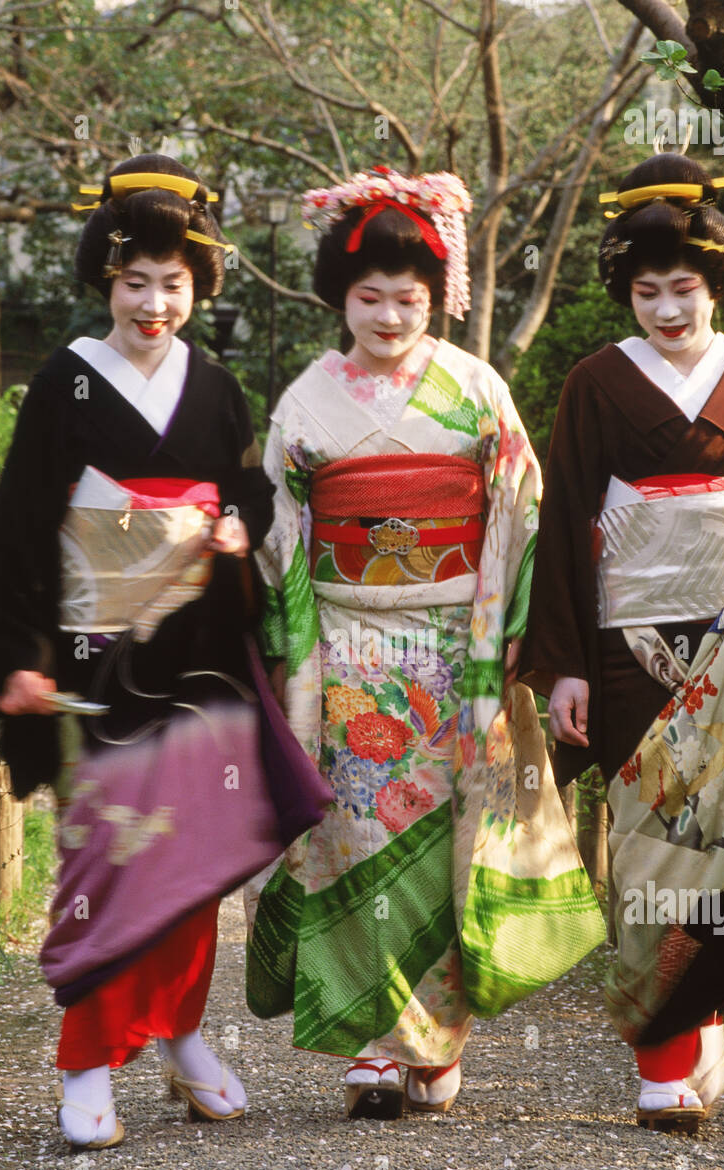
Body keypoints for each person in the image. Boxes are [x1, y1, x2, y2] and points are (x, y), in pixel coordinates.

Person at [247, 168, 605, 1120]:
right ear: (340, 298)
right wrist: (296, 656)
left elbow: (521, 511)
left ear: (435, 298)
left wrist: (498, 649)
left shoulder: (474, 389)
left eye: (409, 298)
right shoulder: (307, 401)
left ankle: (439, 1039)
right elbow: (279, 527)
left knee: (452, 848)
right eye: (370, 297)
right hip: (351, 650)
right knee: (357, 835)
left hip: (456, 646)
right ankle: (375, 1043)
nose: (390, 315)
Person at [0, 153, 325, 1149]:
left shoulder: (214, 387)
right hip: (94, 653)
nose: (153, 301)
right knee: (107, 852)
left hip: (202, 652)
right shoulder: (65, 383)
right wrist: (21, 654)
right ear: (106, 281)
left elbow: (247, 488)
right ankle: (86, 1060)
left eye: (173, 283)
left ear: (198, 288)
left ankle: (179, 1033)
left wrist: (232, 520)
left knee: (198, 857)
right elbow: (19, 522)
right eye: (135, 282)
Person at [522, 152, 724, 1134]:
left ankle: (700, 1010)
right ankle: (665, 1057)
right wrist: (567, 664)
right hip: (632, 648)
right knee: (657, 843)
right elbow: (565, 521)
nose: (666, 308)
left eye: (684, 287)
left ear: (716, 283)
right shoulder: (594, 385)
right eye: (645, 289)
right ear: (624, 291)